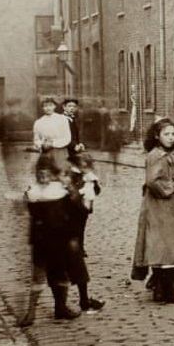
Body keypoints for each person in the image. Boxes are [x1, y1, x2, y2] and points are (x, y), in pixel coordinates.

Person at [25, 155, 102, 323]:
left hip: (57, 239)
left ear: (53, 173)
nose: (43, 176)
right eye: (40, 172)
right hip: (44, 239)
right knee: (40, 275)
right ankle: (31, 312)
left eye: (47, 172)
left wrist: (76, 194)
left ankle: (60, 307)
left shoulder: (54, 191)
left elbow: (78, 212)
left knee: (60, 273)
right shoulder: (38, 192)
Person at [133, 119, 174, 304]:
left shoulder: (168, 155)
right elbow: (153, 181)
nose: (170, 138)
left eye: (173, 134)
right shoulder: (157, 155)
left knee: (163, 244)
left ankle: (160, 289)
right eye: (166, 134)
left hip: (167, 205)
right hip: (160, 206)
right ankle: (172, 290)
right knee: (167, 244)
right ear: (157, 136)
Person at [33, 96, 72, 172]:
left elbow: (67, 138)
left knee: (61, 173)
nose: (48, 108)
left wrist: (53, 143)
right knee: (47, 174)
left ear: (55, 106)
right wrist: (41, 144)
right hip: (46, 152)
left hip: (60, 152)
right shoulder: (38, 122)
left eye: (50, 105)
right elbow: (36, 139)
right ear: (42, 108)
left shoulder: (62, 119)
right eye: (45, 106)